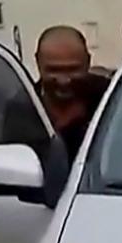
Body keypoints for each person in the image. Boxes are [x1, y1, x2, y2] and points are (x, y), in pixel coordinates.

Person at [28, 26, 110, 163]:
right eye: (54, 70)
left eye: (72, 70)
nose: (64, 80)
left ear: (88, 62)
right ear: (38, 62)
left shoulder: (112, 99)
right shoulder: (24, 106)